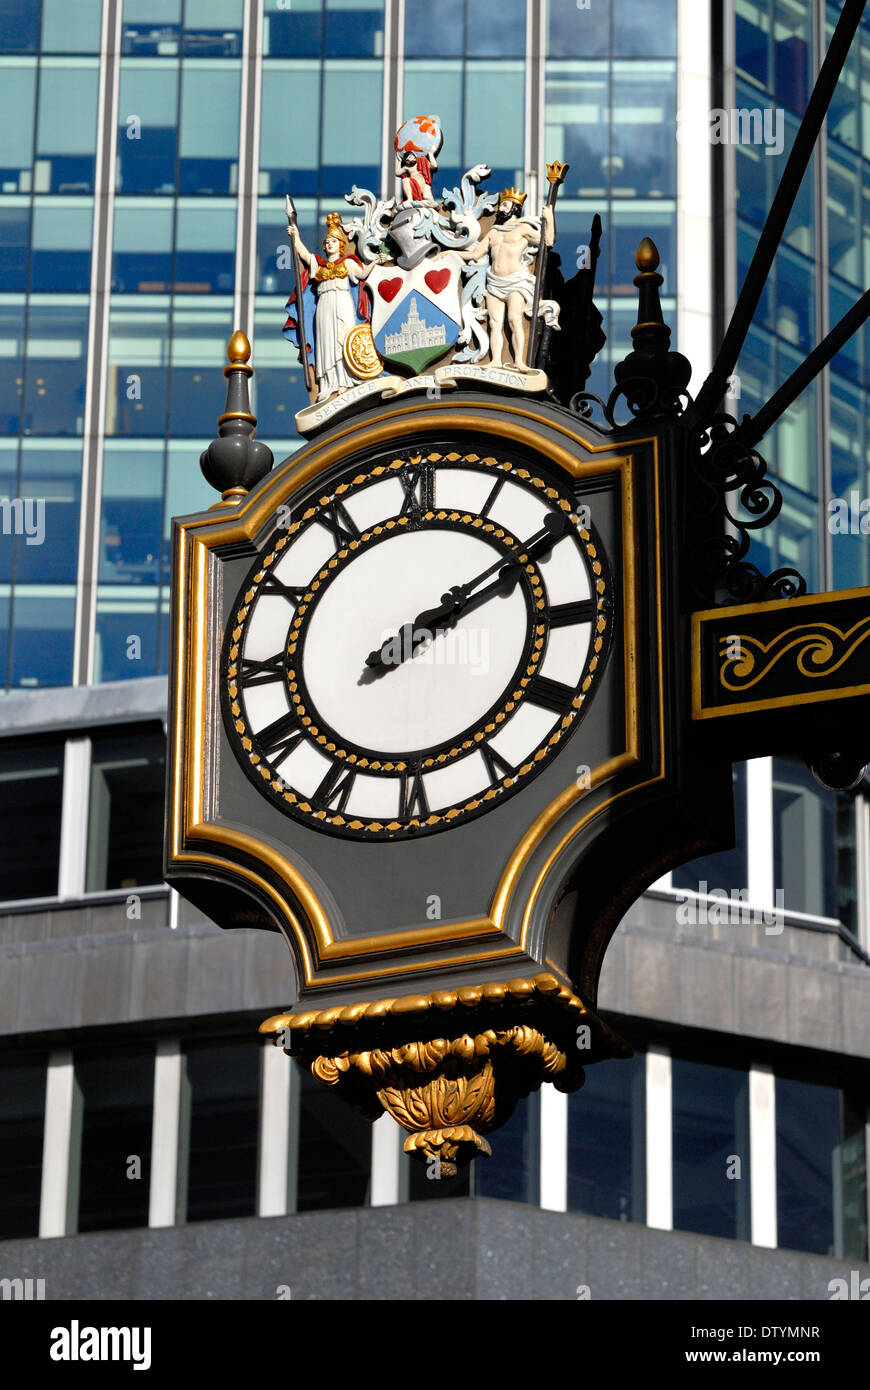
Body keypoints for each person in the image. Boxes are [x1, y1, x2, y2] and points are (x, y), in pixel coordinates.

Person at [459, 188, 556, 371]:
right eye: (501, 205)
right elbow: (475, 253)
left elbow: (548, 242)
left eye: (505, 205)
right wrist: (450, 252)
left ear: (515, 208)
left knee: (514, 319)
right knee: (494, 323)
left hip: (515, 282)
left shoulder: (523, 230)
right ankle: (496, 360)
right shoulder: (494, 233)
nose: (500, 209)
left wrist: (549, 218)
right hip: (494, 282)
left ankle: (519, 361)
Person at [284, 213, 375, 401]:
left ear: (341, 244)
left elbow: (363, 273)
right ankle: (327, 383)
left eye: (334, 241)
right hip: (324, 304)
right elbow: (302, 253)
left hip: (342, 303)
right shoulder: (320, 265)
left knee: (343, 339)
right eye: (328, 242)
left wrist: (377, 260)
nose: (330, 244)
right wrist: (296, 235)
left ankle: (345, 381)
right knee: (326, 342)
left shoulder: (348, 262)